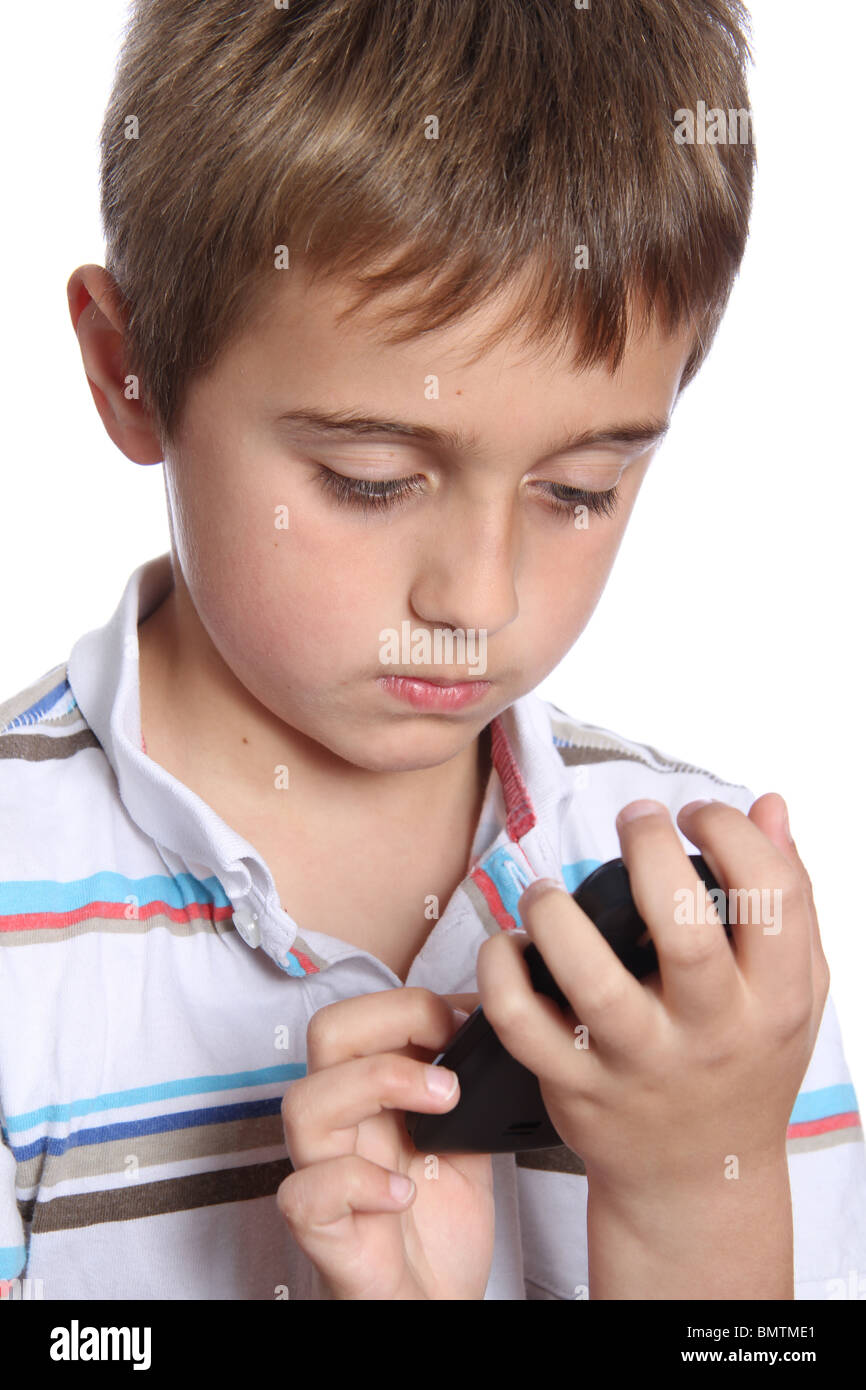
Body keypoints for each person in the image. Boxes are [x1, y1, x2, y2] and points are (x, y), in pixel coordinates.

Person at [1, 0, 864, 1301]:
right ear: (131, 372)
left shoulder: (703, 941)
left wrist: (694, 1192)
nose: (479, 596)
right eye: (368, 478)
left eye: (576, 488)